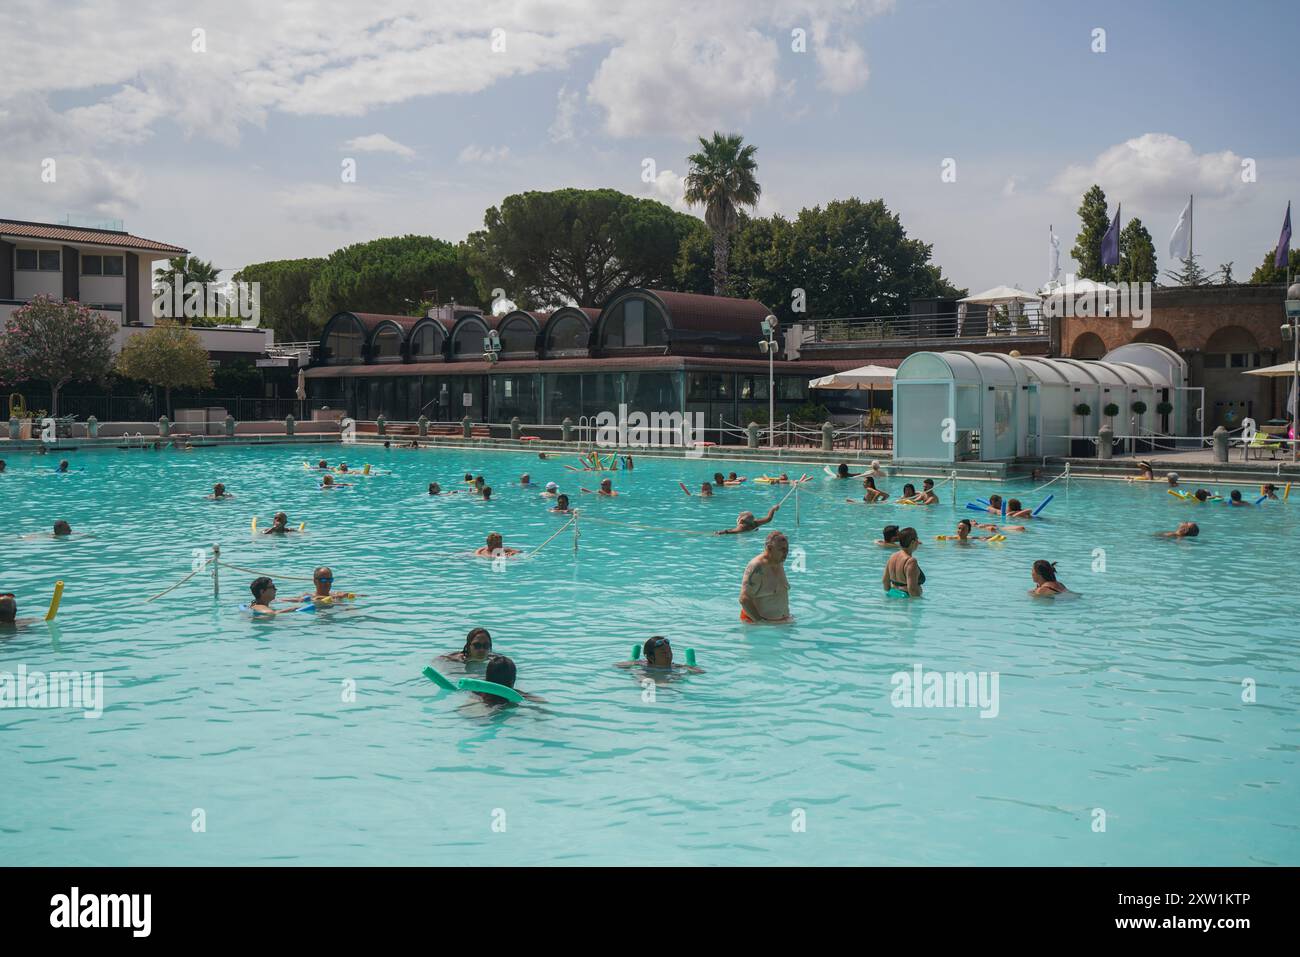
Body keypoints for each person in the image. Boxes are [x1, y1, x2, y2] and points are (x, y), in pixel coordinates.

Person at [739, 530, 793, 624]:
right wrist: (761, 623)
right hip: (761, 627)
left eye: (787, 550)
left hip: (781, 623)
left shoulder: (778, 562)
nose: (786, 553)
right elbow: (744, 599)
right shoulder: (756, 567)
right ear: (769, 548)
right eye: (782, 549)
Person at [470, 655, 544, 705]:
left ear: (487, 678)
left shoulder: (476, 692)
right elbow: (542, 702)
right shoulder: (518, 695)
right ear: (513, 680)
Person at [616, 636, 704, 674]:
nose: (668, 655)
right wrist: (634, 662)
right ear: (650, 657)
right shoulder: (643, 665)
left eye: (669, 651)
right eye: (664, 653)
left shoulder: (675, 666)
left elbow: (701, 672)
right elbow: (617, 665)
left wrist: (688, 667)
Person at [882, 526, 924, 598]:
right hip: (906, 600)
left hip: (892, 595)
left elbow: (885, 582)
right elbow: (912, 589)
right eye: (917, 538)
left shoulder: (892, 556)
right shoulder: (911, 561)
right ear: (913, 542)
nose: (918, 541)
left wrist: (893, 595)